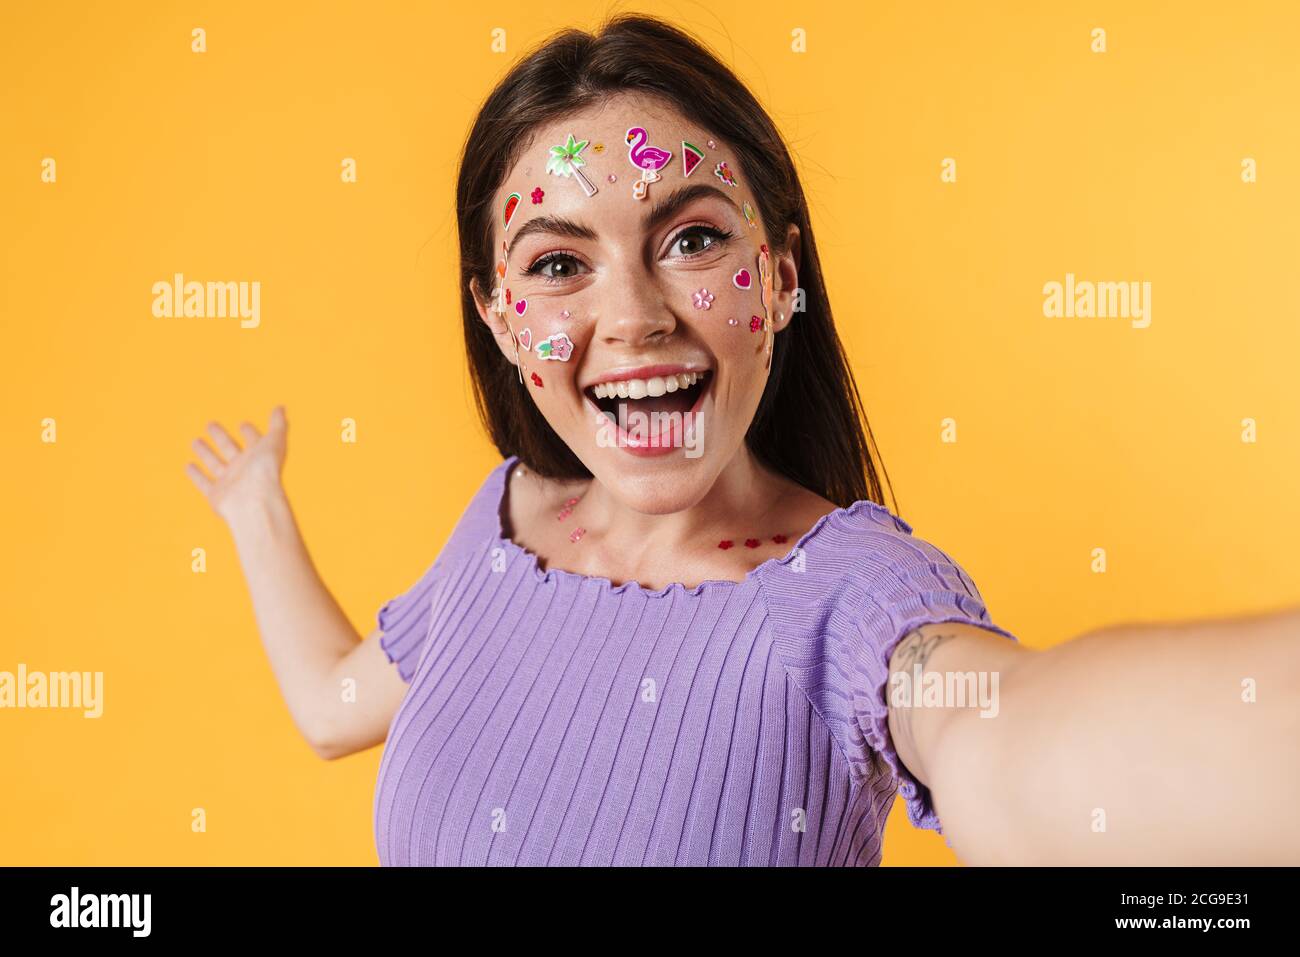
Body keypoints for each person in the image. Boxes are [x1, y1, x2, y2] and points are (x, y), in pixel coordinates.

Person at [185, 15, 1299, 866]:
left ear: (776, 279)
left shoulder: (853, 593)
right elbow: (336, 707)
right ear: (494, 315)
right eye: (558, 263)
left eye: (693, 239)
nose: (633, 317)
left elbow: (1002, 743)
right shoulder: (501, 523)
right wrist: (254, 507)